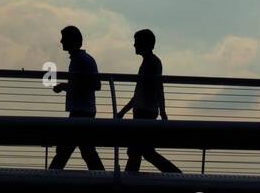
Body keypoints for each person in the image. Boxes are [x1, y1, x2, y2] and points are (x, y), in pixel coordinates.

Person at [116, 28, 181, 173]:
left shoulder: (151, 63)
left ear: (144, 43)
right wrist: (123, 112)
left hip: (144, 112)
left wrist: (163, 112)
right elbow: (142, 93)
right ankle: (174, 174)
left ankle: (174, 174)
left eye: (136, 42)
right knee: (142, 150)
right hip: (145, 111)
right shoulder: (151, 62)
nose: (134, 45)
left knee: (138, 150)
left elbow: (157, 87)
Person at [49, 25, 105, 171]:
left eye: (64, 38)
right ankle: (102, 177)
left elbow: (95, 84)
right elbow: (86, 84)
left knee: (67, 149)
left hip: (81, 111)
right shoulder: (81, 59)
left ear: (71, 40)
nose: (61, 41)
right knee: (84, 150)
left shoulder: (81, 60)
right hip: (83, 111)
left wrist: (65, 87)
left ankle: (50, 176)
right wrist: (65, 87)